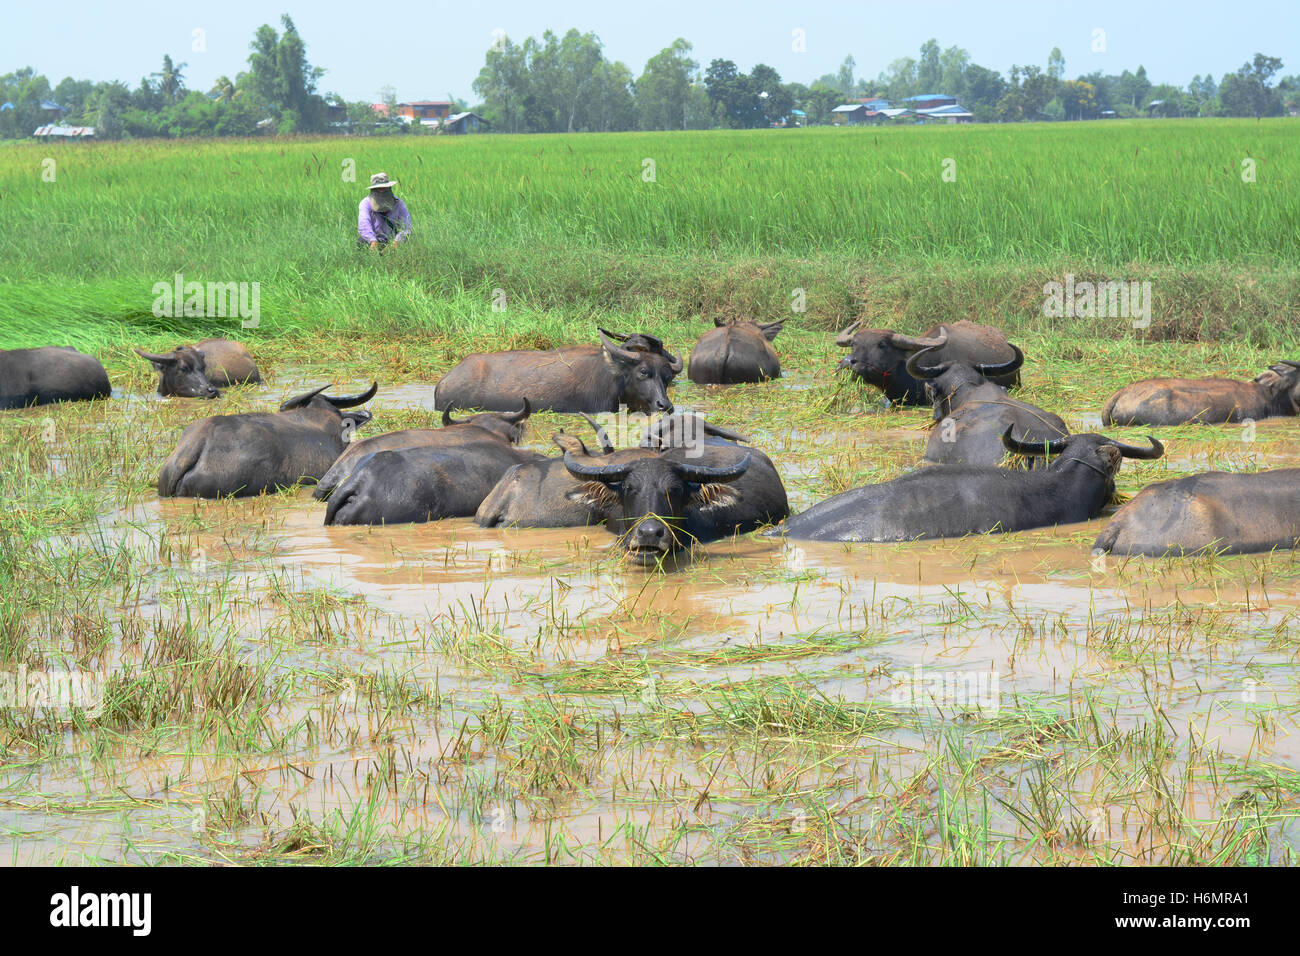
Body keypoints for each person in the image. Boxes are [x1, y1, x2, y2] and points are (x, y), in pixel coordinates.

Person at [357, 172, 412, 250]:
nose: (382, 191)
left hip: (393, 240)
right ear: (373, 190)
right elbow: (364, 225)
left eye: (384, 188)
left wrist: (397, 242)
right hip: (375, 240)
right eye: (379, 189)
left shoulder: (399, 204)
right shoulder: (365, 204)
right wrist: (373, 241)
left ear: (389, 188)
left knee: (408, 241)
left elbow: (407, 227)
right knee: (361, 242)